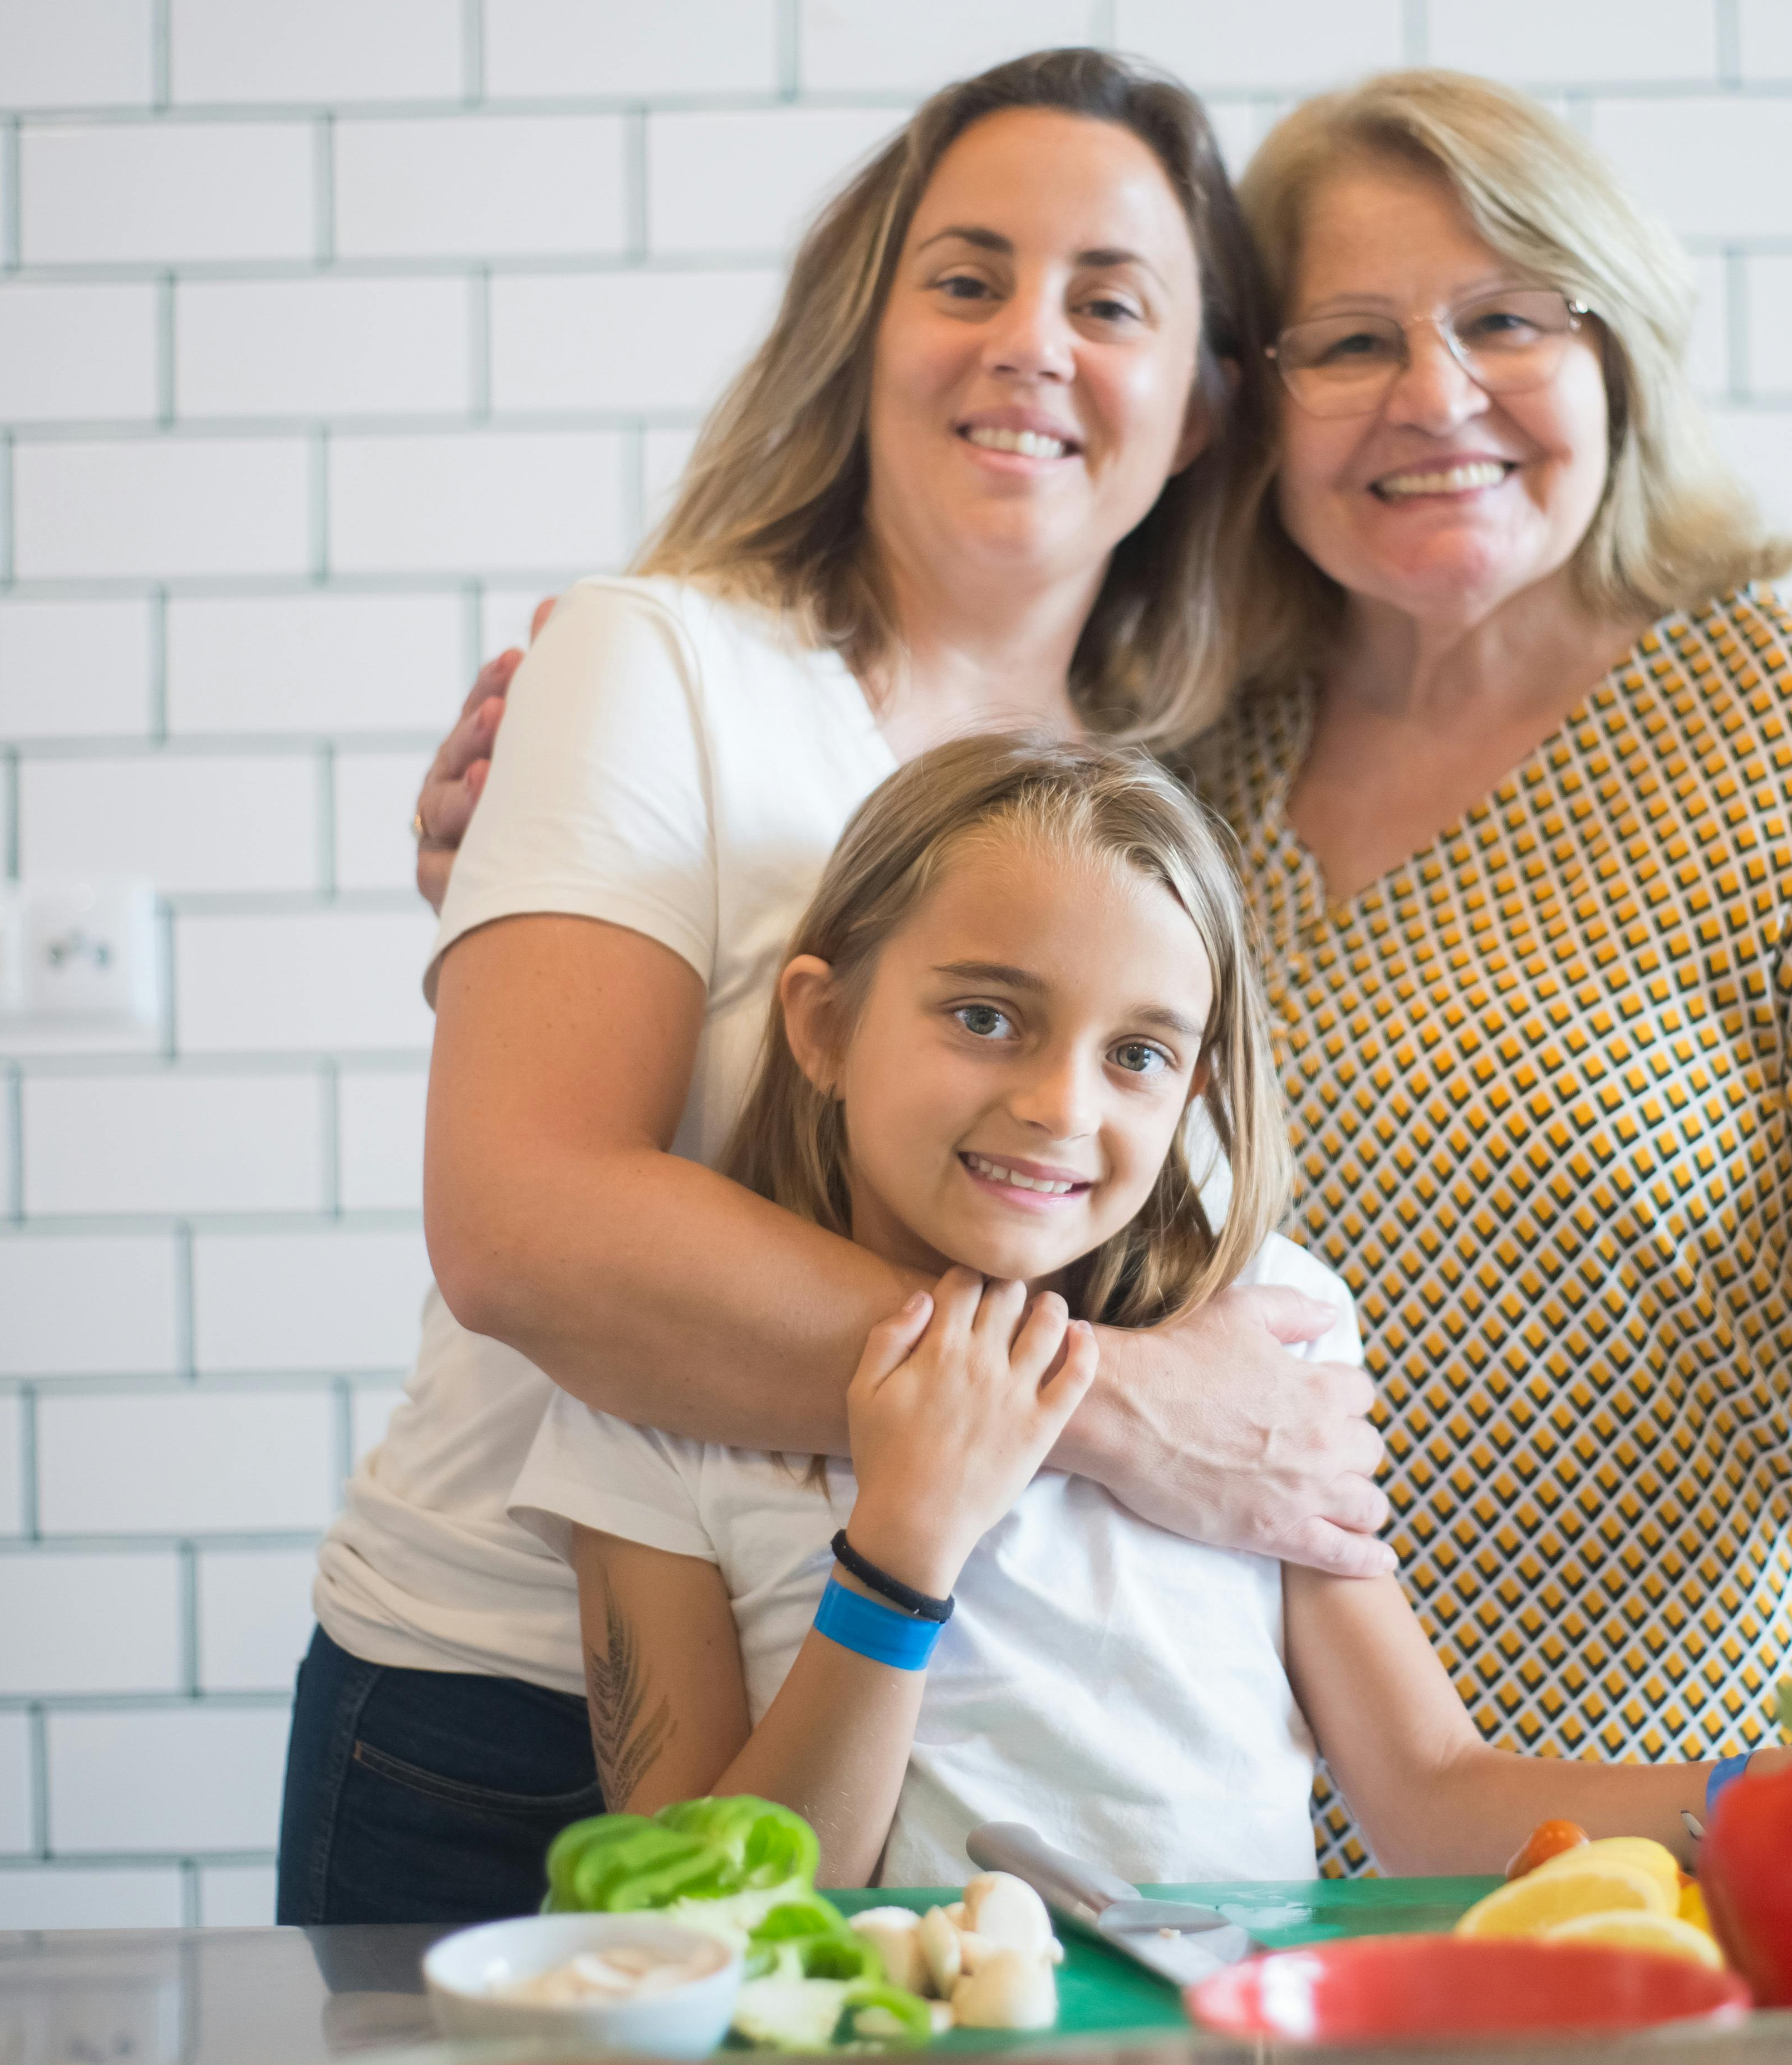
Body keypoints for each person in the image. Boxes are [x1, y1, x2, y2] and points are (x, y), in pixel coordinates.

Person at [413, 62, 1792, 1898]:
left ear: (1613, 352)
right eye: (1349, 341)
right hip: (1225, 1851)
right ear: (1259, 417)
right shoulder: (1191, 756)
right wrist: (532, 853)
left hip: (1674, 1809)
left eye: (1510, 317)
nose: (1432, 391)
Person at [282, 50, 1387, 1926]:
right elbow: (524, 1231)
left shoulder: (1164, 803)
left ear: (1202, 413)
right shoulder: (656, 664)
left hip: (940, 1772)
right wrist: (1112, 1408)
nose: (1028, 342)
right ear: (861, 333)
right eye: (963, 278)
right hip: (513, 1712)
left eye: (1106, 302)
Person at [510, 734, 1786, 1885]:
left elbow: (1430, 1799)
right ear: (825, 1023)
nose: (1065, 1106)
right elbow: (712, 1914)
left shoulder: (1267, 1343)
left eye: (1138, 1054)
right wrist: (900, 1554)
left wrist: (1771, 1804)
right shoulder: (652, 1396)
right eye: (986, 1015)